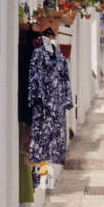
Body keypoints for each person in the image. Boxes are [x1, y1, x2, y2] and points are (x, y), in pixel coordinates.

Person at [28, 25, 72, 166]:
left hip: (54, 105)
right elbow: (33, 76)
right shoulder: (38, 54)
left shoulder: (60, 58)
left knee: (54, 138)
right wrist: (34, 97)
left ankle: (48, 165)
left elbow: (66, 80)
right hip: (43, 105)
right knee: (41, 137)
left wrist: (67, 100)